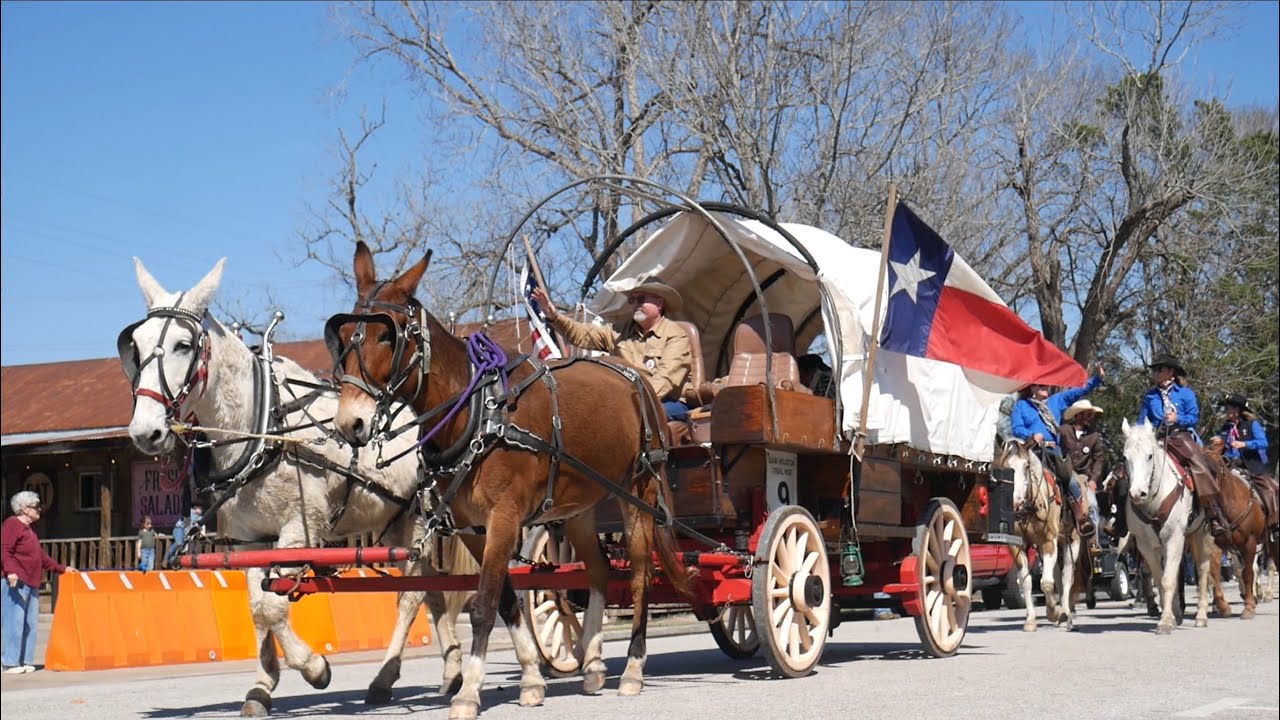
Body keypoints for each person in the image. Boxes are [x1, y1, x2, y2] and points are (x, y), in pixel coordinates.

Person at [531, 280, 693, 420]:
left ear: (659, 303)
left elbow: (665, 380)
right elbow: (582, 334)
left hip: (666, 401)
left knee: (634, 419)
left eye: (641, 299)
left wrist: (627, 402)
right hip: (625, 402)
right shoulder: (617, 331)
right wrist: (553, 316)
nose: (635, 304)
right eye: (631, 300)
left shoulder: (676, 335)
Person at [1137, 354, 1226, 537]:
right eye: (1154, 369)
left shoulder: (1185, 393)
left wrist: (1178, 418)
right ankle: (1122, 522)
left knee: (1201, 465)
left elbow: (1193, 418)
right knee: (1128, 468)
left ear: (1171, 372)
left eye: (1159, 369)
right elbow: (1141, 421)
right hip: (1156, 439)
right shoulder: (1150, 395)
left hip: (1181, 437)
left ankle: (1212, 514)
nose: (1155, 373)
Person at [1010, 366, 1106, 536]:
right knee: (1016, 474)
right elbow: (1016, 427)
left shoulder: (1056, 401)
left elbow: (1077, 392)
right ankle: (1014, 514)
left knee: (1068, 479)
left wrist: (1096, 379)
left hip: (1052, 450)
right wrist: (1031, 435)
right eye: (1040, 385)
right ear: (1031, 388)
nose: (1045, 387)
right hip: (1032, 449)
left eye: (1045, 384)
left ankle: (1081, 517)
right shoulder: (1021, 406)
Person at [2, 491, 76, 673]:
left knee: (30, 624)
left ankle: (25, 660)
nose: (39, 510)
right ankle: (9, 662)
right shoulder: (12, 524)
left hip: (31, 582)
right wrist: (11, 571)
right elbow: (4, 550)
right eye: (35, 507)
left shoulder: (30, 530)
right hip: (15, 581)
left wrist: (61, 568)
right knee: (14, 622)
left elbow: (40, 556)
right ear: (25, 509)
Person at [1058, 399, 1108, 545]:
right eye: (1088, 414)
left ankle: (1094, 543)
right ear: (1078, 415)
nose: (1090, 418)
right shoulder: (1063, 431)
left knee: (1092, 505)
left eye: (1091, 415)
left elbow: (1099, 459)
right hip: (1062, 474)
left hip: (1083, 477)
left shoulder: (1094, 436)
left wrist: (1093, 480)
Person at [1215, 394, 1270, 478]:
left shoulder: (1251, 424)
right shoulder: (1226, 427)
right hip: (1226, 464)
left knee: (1267, 489)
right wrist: (1219, 440)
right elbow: (1223, 443)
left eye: (1227, 408)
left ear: (1236, 409)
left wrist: (1244, 444)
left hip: (1249, 467)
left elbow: (1263, 443)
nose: (1225, 411)